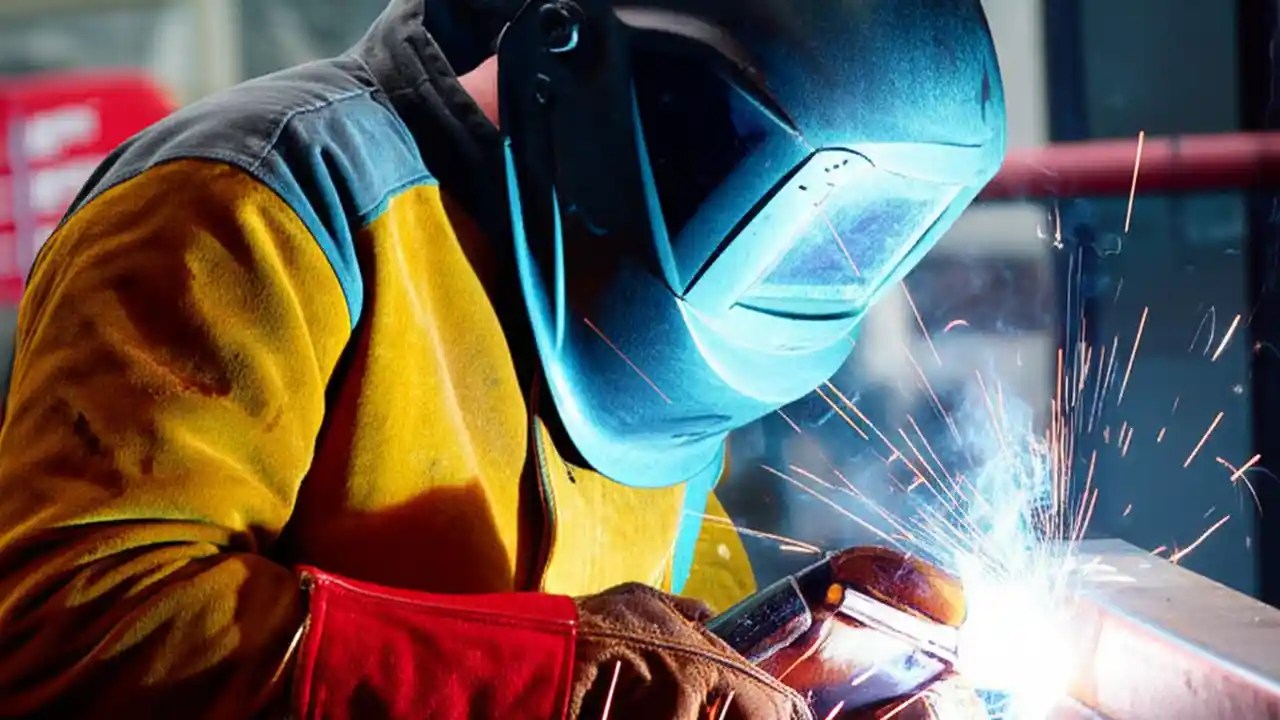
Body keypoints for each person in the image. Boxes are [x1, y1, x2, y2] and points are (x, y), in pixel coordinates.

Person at [0, 0, 1005, 717]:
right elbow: (78, 634)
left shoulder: (639, 311)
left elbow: (664, 636)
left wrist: (771, 667)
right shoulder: (255, 204)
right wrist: (566, 679)